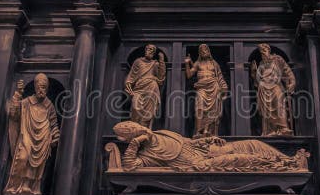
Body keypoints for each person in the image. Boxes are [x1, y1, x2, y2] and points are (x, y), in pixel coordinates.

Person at [111, 121, 309, 172]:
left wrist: (208, 140)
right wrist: (136, 144)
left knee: (253, 143)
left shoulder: (163, 132)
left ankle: (288, 161)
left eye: (131, 123)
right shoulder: (147, 154)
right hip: (201, 163)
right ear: (128, 136)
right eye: (129, 128)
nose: (134, 125)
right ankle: (290, 166)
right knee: (241, 160)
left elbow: (187, 142)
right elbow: (130, 167)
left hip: (205, 151)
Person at [4, 73, 60, 195]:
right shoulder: (26, 102)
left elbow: (54, 123)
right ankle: (16, 185)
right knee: (23, 157)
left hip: (44, 136)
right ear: (35, 87)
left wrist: (55, 136)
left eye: (44, 87)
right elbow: (14, 114)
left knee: (37, 166)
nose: (41, 90)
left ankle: (30, 186)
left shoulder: (49, 105)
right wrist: (18, 93)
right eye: (39, 87)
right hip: (27, 134)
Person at [251, 44, 295, 136]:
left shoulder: (277, 59)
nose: (263, 54)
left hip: (275, 86)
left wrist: (292, 82)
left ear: (268, 50)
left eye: (264, 51)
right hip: (263, 88)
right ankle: (270, 131)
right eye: (261, 52)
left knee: (279, 105)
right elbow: (257, 81)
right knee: (266, 112)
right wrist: (254, 72)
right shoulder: (262, 64)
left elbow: (287, 71)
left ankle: (283, 128)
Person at [184, 44, 228, 138]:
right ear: (199, 53)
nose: (204, 51)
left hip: (214, 87)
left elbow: (220, 77)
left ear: (208, 51)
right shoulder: (197, 63)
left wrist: (224, 87)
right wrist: (187, 63)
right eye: (201, 50)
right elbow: (189, 75)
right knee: (199, 108)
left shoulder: (214, 64)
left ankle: (207, 131)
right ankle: (198, 132)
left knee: (212, 110)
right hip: (202, 88)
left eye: (205, 49)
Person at [124, 44, 166, 128]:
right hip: (139, 87)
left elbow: (161, 77)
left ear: (154, 53)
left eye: (152, 50)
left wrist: (161, 61)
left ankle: (145, 131)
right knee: (135, 107)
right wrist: (128, 86)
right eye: (148, 49)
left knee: (149, 112)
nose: (150, 51)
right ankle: (136, 129)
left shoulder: (155, 63)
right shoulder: (138, 61)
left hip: (151, 87)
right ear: (145, 50)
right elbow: (131, 75)